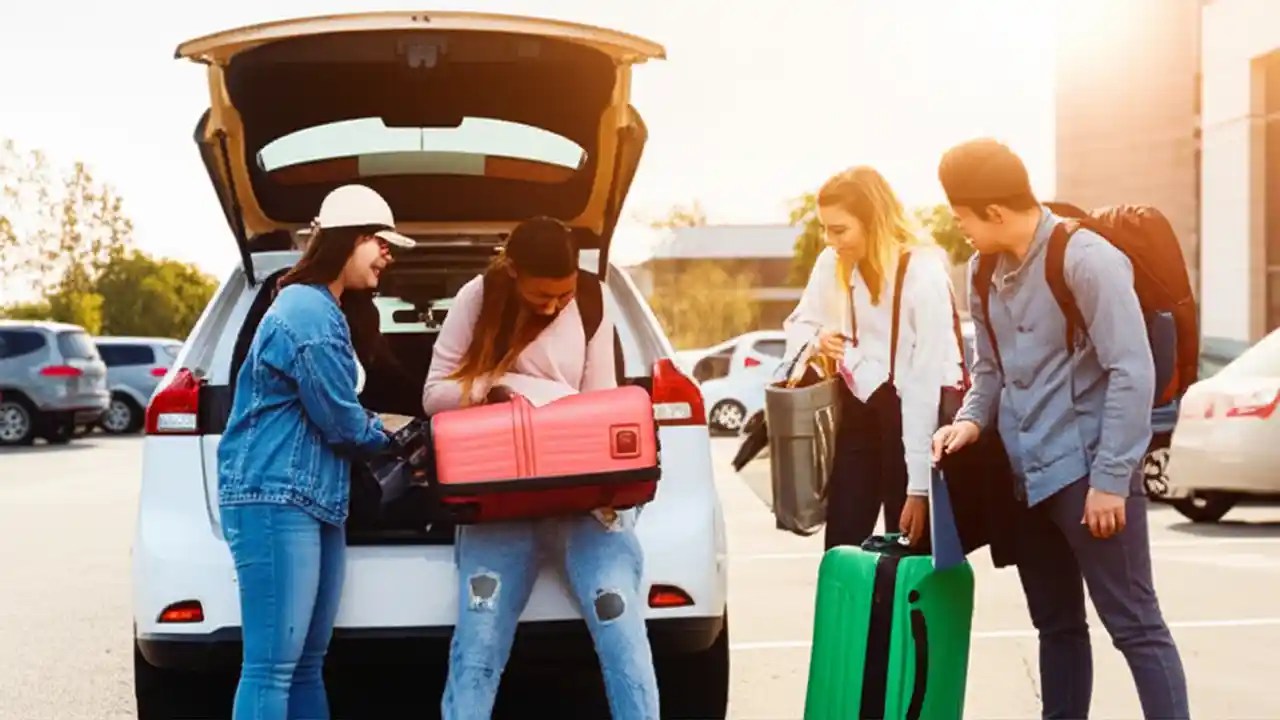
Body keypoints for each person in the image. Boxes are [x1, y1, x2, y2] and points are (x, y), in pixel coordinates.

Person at [930, 138, 1189, 719]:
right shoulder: (982, 271)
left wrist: (1111, 480)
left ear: (994, 211)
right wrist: (969, 421)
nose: (960, 228)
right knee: (1057, 626)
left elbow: (1131, 369)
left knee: (1136, 626)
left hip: (1089, 475)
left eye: (962, 216)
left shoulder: (1087, 258)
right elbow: (990, 370)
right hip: (1026, 478)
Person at [423, 216, 659, 720]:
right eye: (540, 296)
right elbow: (434, 395)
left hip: (582, 501)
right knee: (479, 643)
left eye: (562, 294)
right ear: (512, 271)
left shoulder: (592, 299)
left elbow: (601, 399)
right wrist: (495, 387)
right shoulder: (476, 298)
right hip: (500, 502)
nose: (553, 306)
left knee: (621, 628)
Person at [216, 183, 415, 720]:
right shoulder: (307, 310)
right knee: (271, 668)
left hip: (316, 499)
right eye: (380, 242)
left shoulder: (326, 309)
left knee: (305, 665)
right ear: (348, 240)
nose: (388, 256)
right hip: (274, 497)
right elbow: (342, 422)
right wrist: (402, 437)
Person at [783, 166, 964, 550]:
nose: (830, 240)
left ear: (874, 222)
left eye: (839, 230)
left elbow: (924, 384)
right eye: (825, 229)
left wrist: (919, 489)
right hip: (857, 408)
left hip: (913, 413)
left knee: (908, 550)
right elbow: (800, 322)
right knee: (843, 543)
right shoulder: (831, 263)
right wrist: (818, 339)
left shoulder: (922, 273)